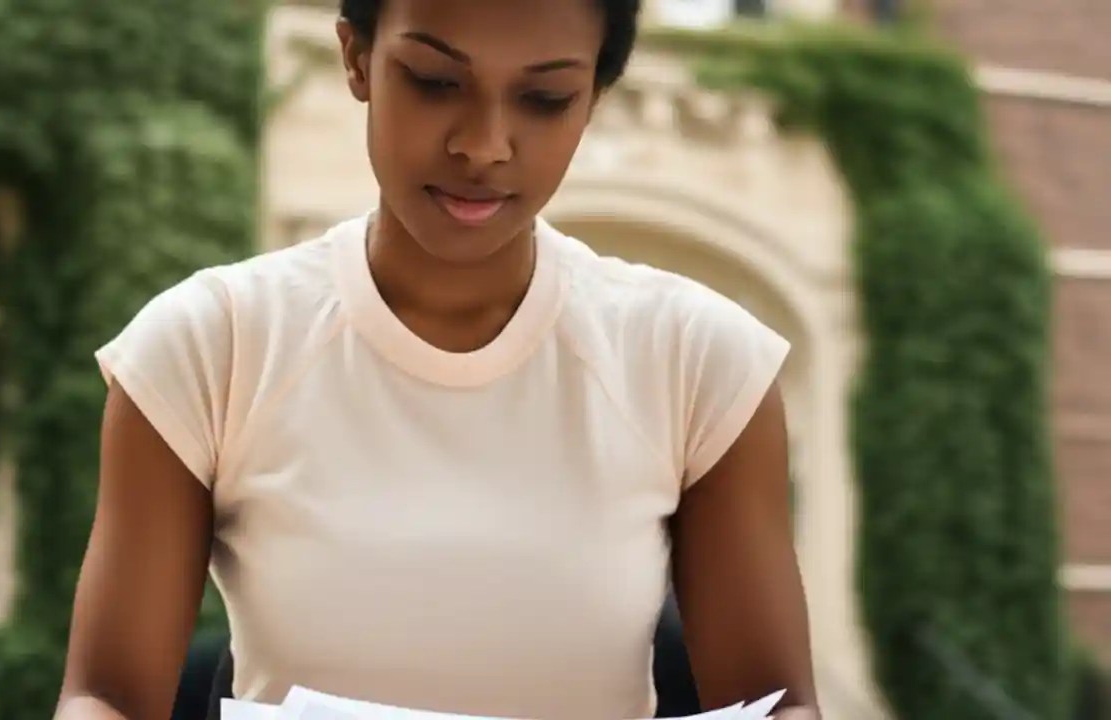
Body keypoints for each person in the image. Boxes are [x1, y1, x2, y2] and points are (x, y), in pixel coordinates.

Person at [54, 1, 820, 719]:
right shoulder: (211, 344)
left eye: (546, 98)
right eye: (434, 82)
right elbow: (109, 700)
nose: (483, 146)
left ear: (595, 98)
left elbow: (778, 703)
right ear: (356, 59)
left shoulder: (698, 362)